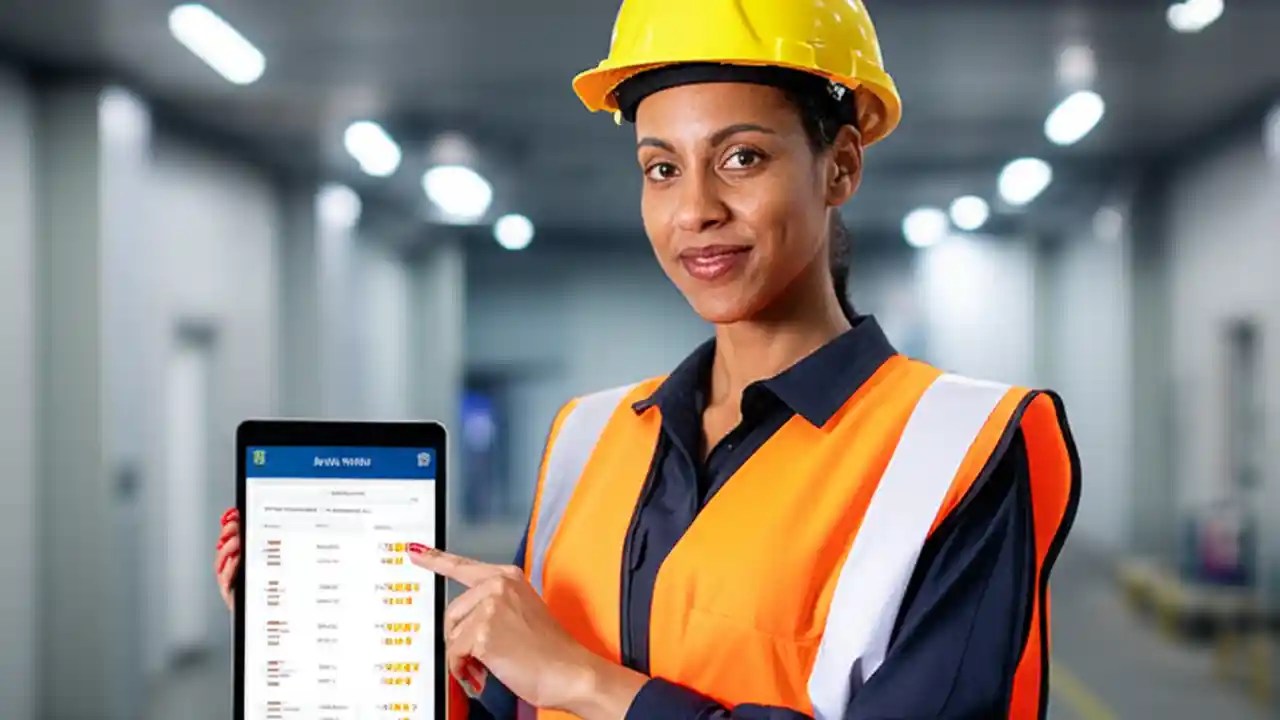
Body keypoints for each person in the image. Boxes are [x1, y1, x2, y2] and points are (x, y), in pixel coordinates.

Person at [215, 1, 1081, 718]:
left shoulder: (958, 450)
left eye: (741, 158)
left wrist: (592, 685)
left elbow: (567, 681)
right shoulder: (589, 437)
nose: (694, 209)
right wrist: (311, 632)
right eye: (661, 168)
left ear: (840, 166)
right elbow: (514, 701)